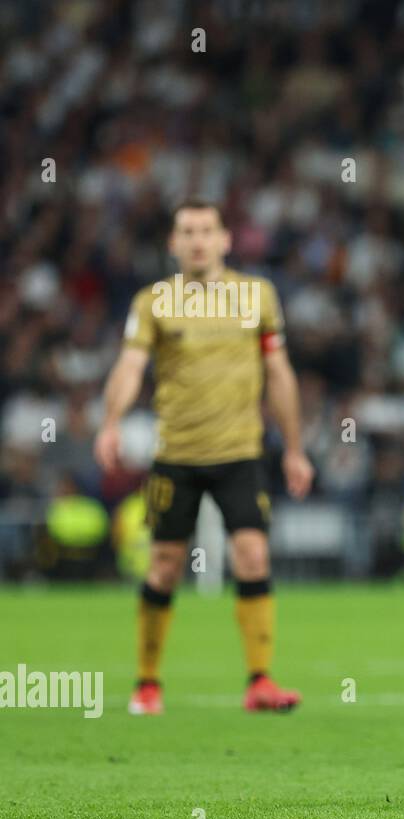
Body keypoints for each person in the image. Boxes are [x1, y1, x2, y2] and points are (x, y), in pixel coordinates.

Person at [93, 200, 314, 715]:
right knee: (165, 566)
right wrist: (110, 423)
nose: (197, 240)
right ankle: (147, 683)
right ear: (173, 244)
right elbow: (129, 367)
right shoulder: (155, 302)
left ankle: (259, 680)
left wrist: (296, 449)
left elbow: (279, 374)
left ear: (225, 240)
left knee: (253, 555)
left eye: (206, 230)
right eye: (187, 231)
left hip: (240, 452)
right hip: (177, 455)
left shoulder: (257, 295)